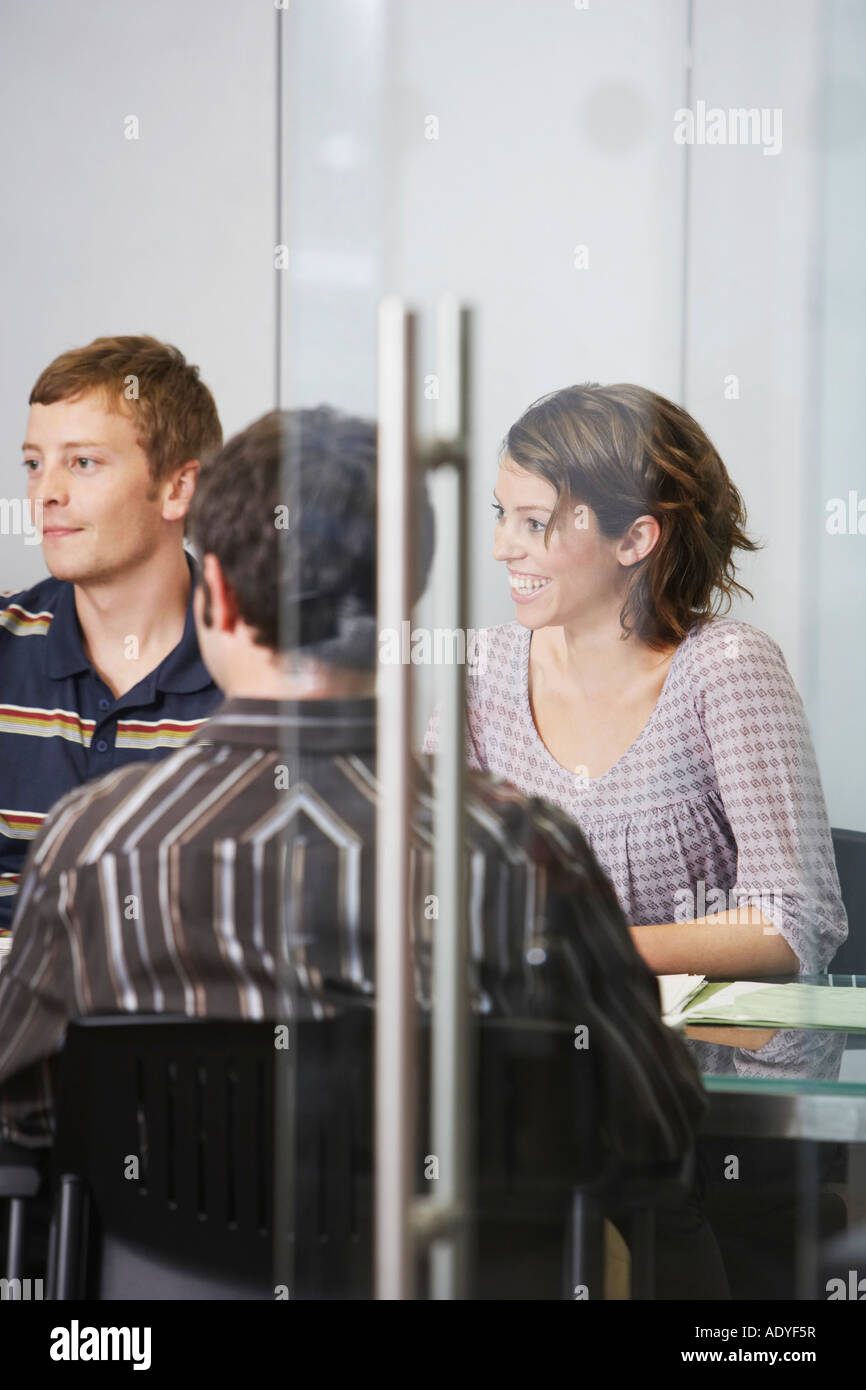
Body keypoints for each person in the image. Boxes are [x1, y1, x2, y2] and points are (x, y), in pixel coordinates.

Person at [0, 406, 723, 1297]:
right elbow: (651, 1128)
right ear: (401, 604)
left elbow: (24, 1125)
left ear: (212, 595)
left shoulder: (94, 850)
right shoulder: (520, 852)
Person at [424, 382, 847, 981]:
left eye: (535, 522)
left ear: (634, 539)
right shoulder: (481, 670)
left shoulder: (728, 670)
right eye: (502, 515)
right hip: (528, 1055)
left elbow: (796, 920)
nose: (501, 547)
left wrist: (585, 949)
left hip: (703, 1067)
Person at [0, 335, 224, 934]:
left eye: (83, 462)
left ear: (177, 488)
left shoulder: (261, 666)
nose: (45, 493)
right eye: (33, 462)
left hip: (187, 1019)